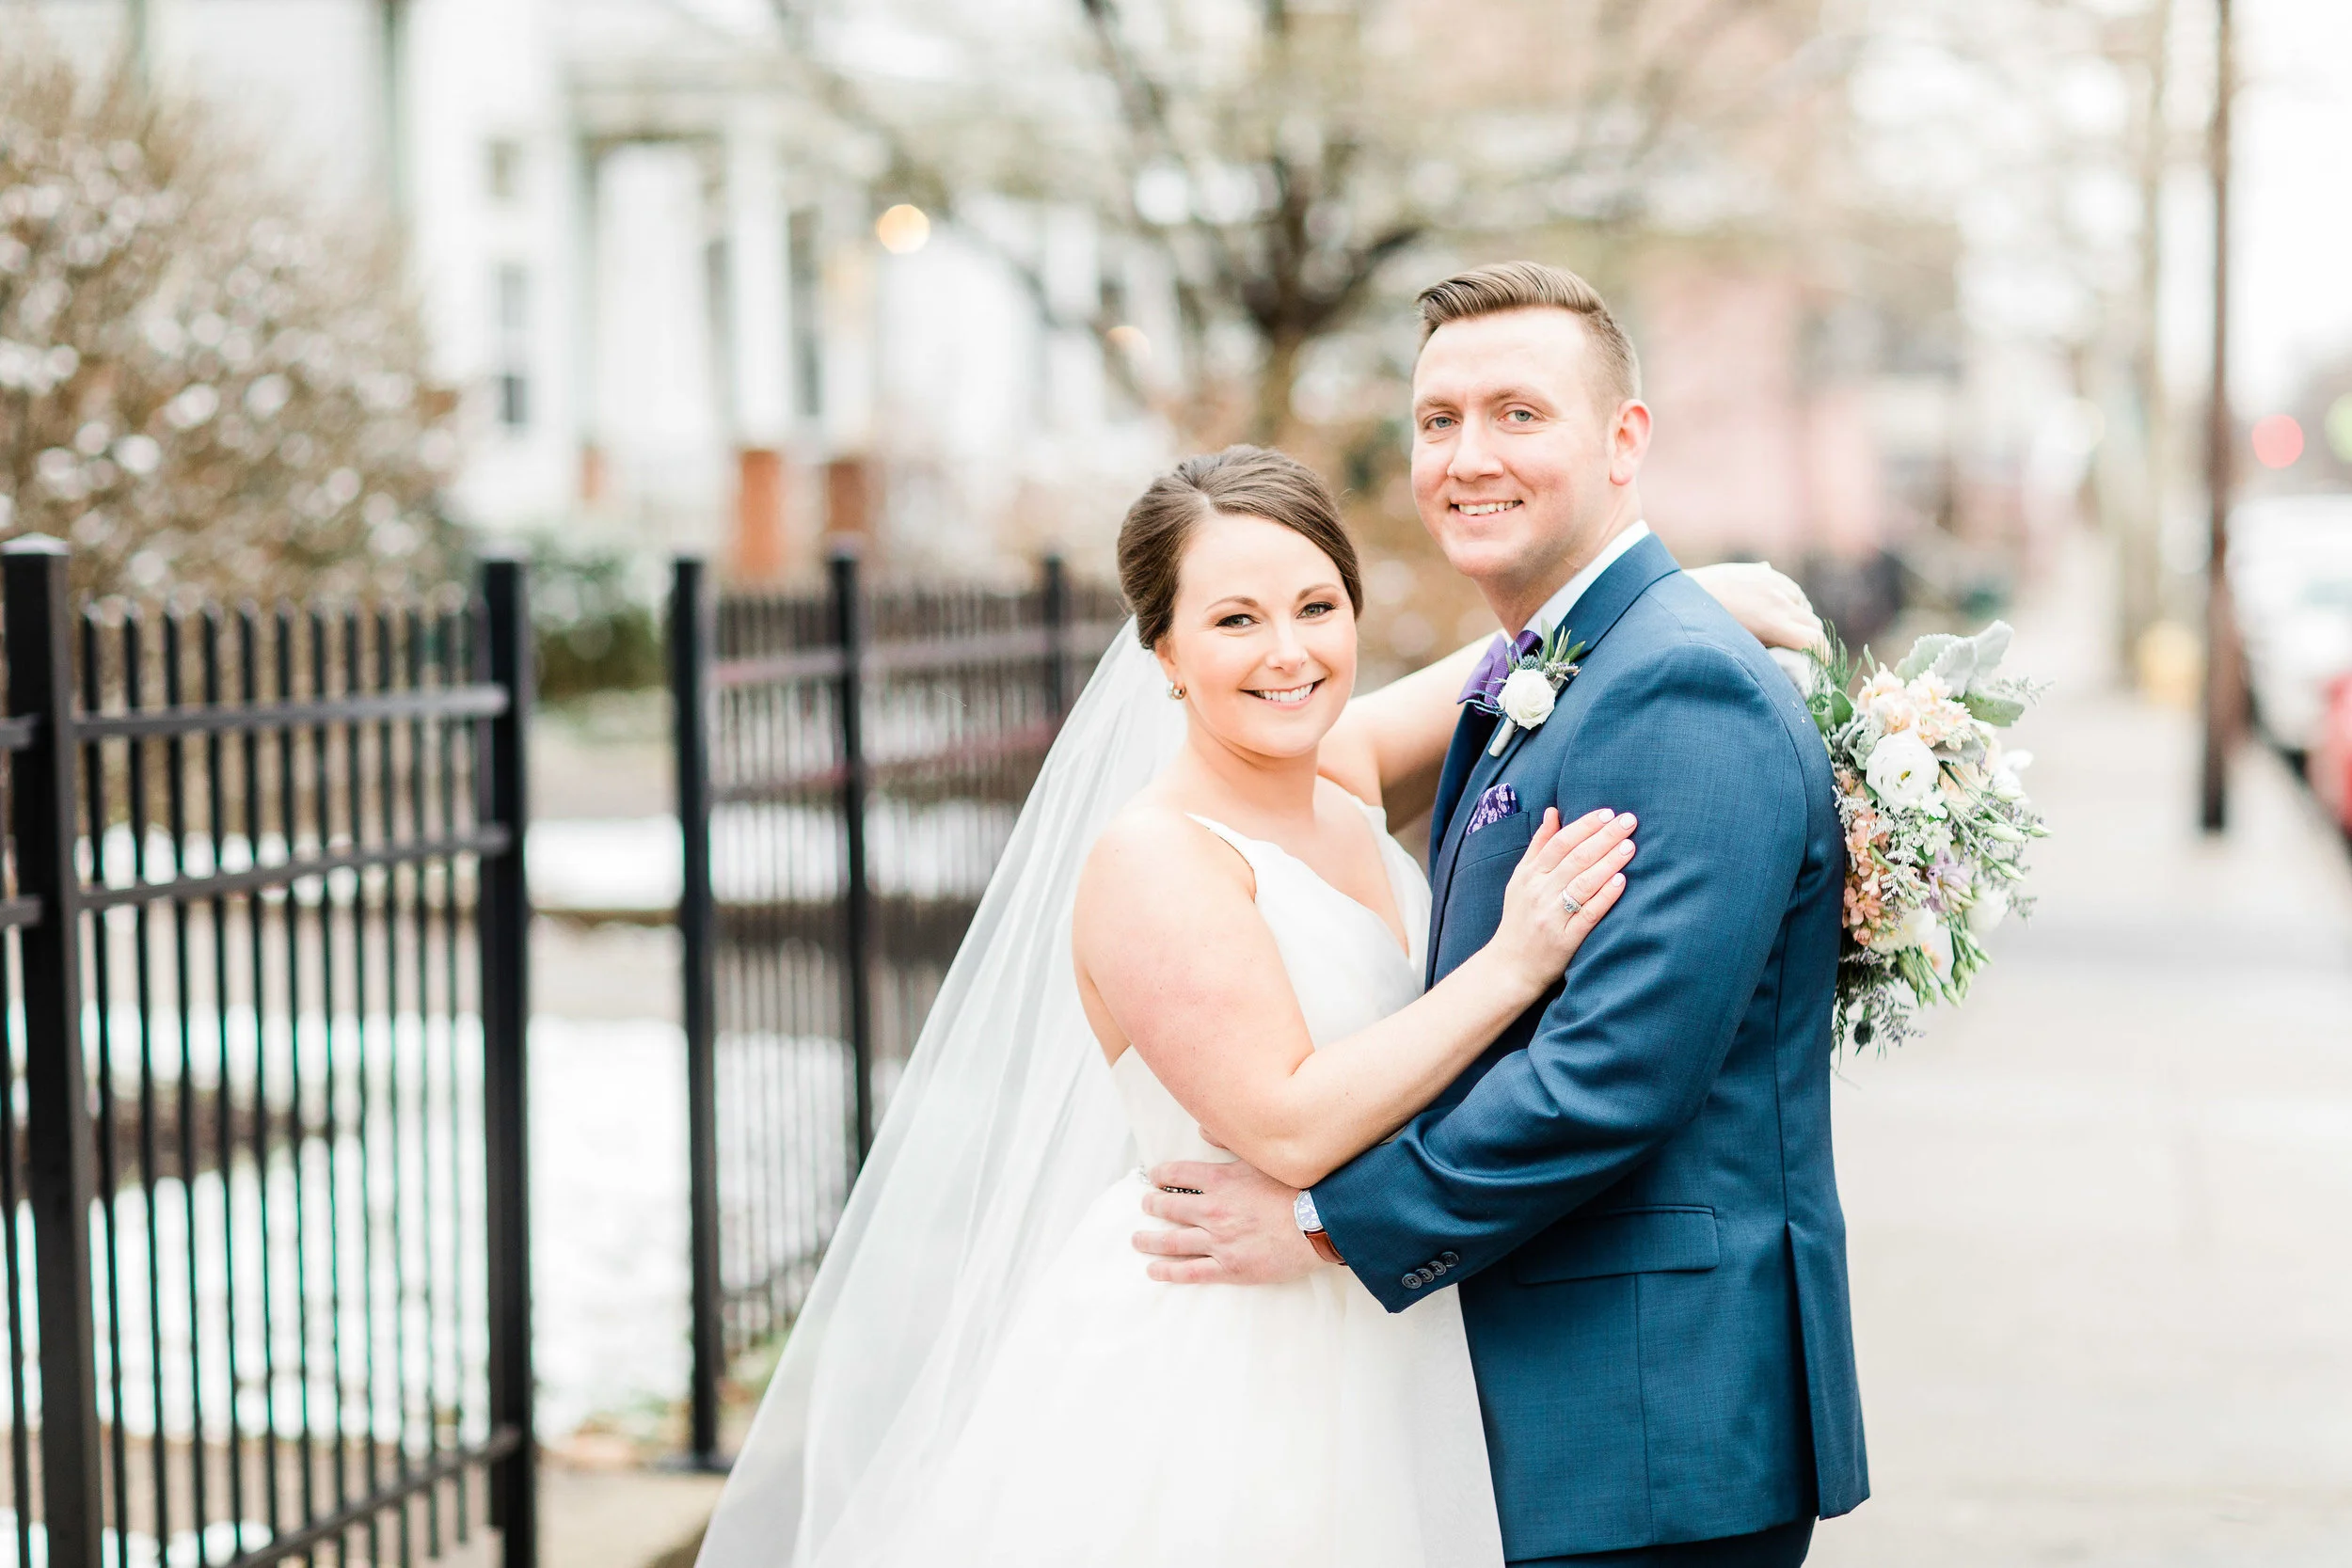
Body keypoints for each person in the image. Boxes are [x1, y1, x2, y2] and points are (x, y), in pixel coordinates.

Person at [692, 281, 1831, 1568]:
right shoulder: (1153, 860)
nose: (1285, 651)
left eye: (1314, 606)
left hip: (1394, 1341)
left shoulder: (1334, 780)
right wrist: (1509, 967)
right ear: (1163, 654)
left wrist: (1671, 595)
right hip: (1223, 1345)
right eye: (1232, 619)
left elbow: (1510, 667)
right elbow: (1286, 1120)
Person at [1138, 261, 1865, 1566]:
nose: (1467, 455)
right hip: (1549, 1414)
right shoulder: (1559, 666)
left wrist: (1315, 1224)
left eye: (1518, 413)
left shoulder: (1675, 689)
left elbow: (1610, 1077)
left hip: (1649, 1421)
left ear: (1624, 438)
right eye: (1437, 421)